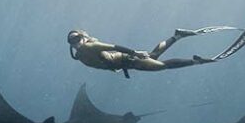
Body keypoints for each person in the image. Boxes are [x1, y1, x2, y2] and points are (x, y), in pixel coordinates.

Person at [67, 28, 214, 78]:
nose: (75, 43)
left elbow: (116, 47)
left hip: (130, 60)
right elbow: (101, 63)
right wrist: (114, 68)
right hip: (126, 63)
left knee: (160, 66)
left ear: (84, 37)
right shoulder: (78, 56)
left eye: (77, 38)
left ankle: (196, 61)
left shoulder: (91, 46)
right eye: (72, 41)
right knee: (154, 56)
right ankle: (178, 35)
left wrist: (135, 53)